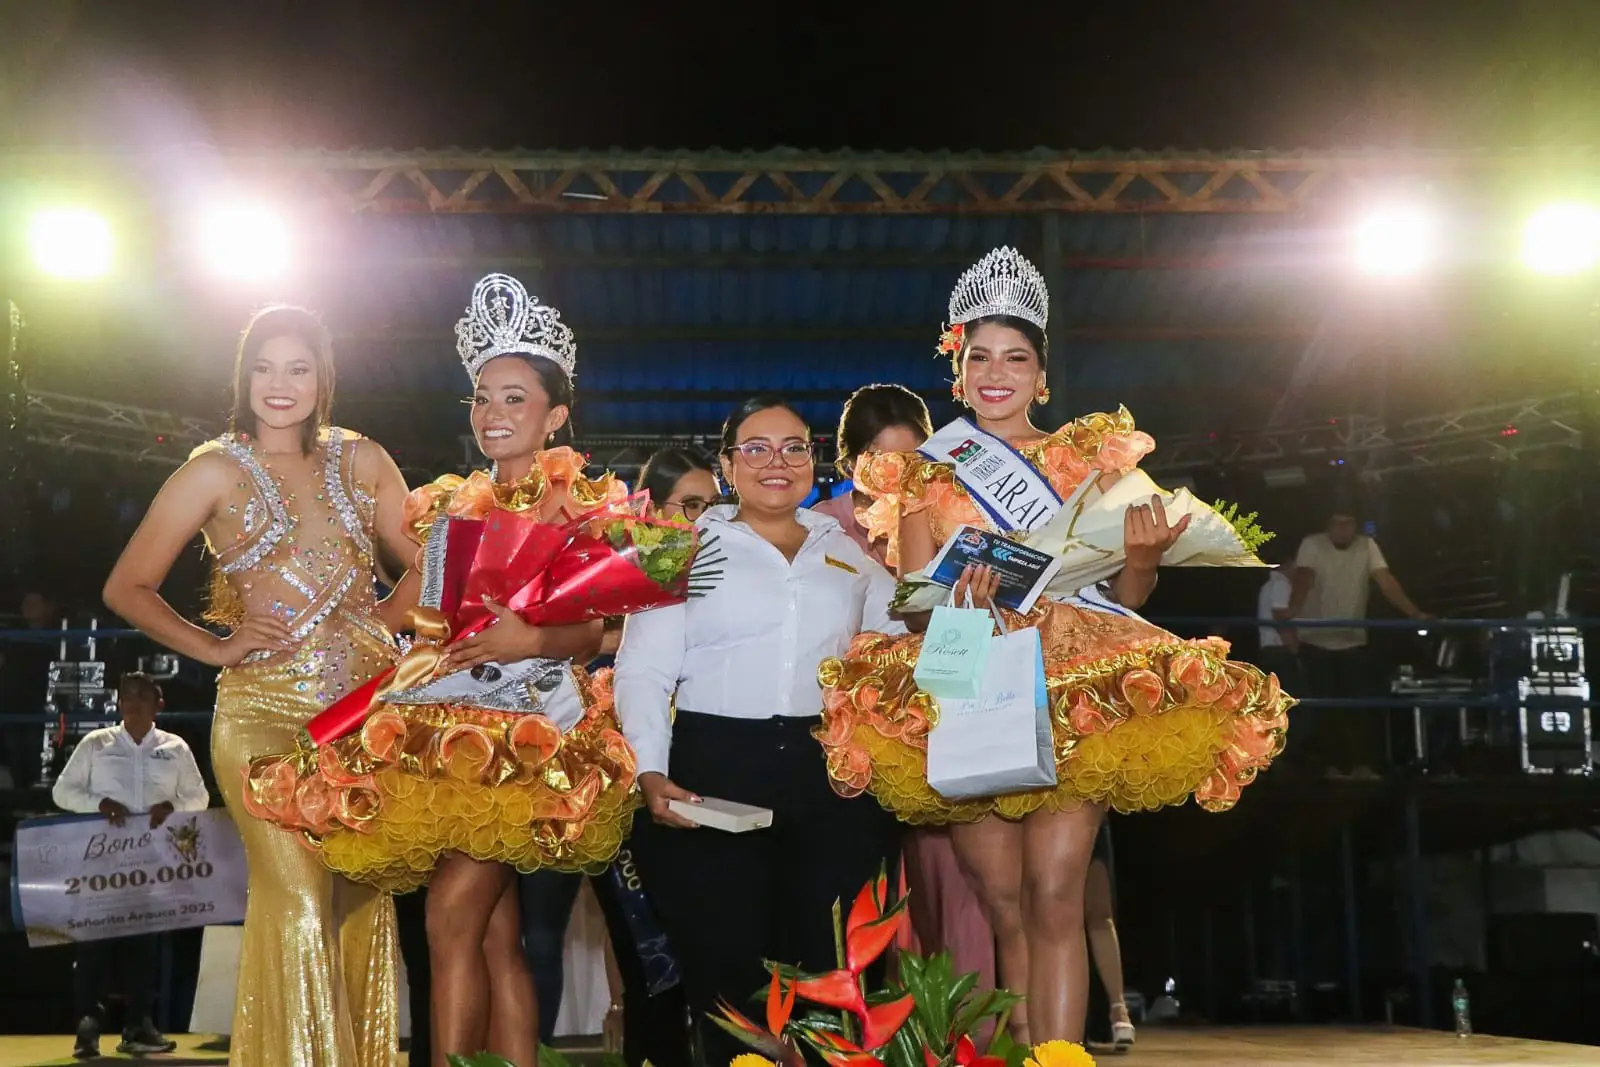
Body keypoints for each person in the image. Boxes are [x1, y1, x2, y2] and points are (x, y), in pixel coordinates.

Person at [815, 247, 1294, 1043]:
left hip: (1077, 674)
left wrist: (1141, 557)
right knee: (1000, 898)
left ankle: (1063, 1058)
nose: (996, 373)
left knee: (1056, 890)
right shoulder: (921, 475)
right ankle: (1019, 1053)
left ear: (1043, 375)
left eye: (1017, 358)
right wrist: (951, 604)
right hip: (966, 669)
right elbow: (913, 606)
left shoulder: (1085, 459)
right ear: (957, 372)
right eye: (980, 358)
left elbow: (1123, 593)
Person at [242, 274, 642, 1067]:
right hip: (443, 728)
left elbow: (603, 627)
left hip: (529, 739)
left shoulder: (582, 503)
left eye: (515, 398)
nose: (494, 413)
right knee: (493, 943)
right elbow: (404, 612)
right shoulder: (451, 504)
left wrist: (523, 640)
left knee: (450, 924)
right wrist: (299, 606)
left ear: (555, 413)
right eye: (482, 397)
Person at [102, 305, 411, 1067]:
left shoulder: (364, 459)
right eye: (265, 367)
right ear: (244, 376)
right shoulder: (213, 468)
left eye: (297, 368)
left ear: (323, 377)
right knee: (299, 904)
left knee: (357, 907)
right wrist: (215, 645)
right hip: (263, 715)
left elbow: (431, 557)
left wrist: (388, 622)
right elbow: (128, 586)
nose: (281, 384)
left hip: (364, 718)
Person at [615, 396, 905, 1067]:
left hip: (829, 777)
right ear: (725, 464)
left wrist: (974, 600)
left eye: (795, 446)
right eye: (756, 447)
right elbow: (643, 669)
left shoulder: (850, 554)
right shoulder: (681, 548)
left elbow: (906, 642)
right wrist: (651, 770)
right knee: (729, 983)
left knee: (833, 974)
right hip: (712, 772)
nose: (777, 461)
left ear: (814, 460)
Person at [520, 446, 711, 1067]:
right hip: (584, 761)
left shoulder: (726, 564)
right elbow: (558, 639)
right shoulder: (607, 559)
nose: (699, 520)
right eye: (687, 505)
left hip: (693, 767)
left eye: (712, 506)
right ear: (648, 507)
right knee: (606, 939)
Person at [815, 385, 996, 991]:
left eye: (912, 460)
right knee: (862, 904)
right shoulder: (822, 532)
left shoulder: (960, 522)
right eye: (880, 462)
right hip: (854, 740)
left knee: (959, 894)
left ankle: (966, 1042)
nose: (897, 476)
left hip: (943, 721)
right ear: (849, 465)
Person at [52, 672, 208, 1058]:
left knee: (145, 949)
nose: (134, 702)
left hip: (152, 864)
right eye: (127, 696)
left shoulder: (175, 747)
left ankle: (138, 1025)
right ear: (118, 703)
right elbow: (62, 792)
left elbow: (199, 797)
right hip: (100, 864)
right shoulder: (96, 744)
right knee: (93, 948)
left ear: (160, 704)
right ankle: (87, 1027)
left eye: (143, 696)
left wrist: (172, 806)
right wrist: (99, 804)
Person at [1287, 504, 1427, 779]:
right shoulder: (1312, 544)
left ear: (1355, 525)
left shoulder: (1366, 545)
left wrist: (1415, 613)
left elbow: (1385, 580)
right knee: (1325, 708)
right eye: (1337, 523)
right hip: (1316, 638)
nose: (1342, 529)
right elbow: (1305, 577)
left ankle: (1361, 764)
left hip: (1352, 639)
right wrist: (1293, 609)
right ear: (1328, 525)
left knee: (1359, 707)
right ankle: (1330, 767)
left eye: (1348, 523)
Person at [1082, 820, 1134, 1052]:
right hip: (1036, 804)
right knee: (1050, 917)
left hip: (1086, 798)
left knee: (1099, 914)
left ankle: (1117, 1008)